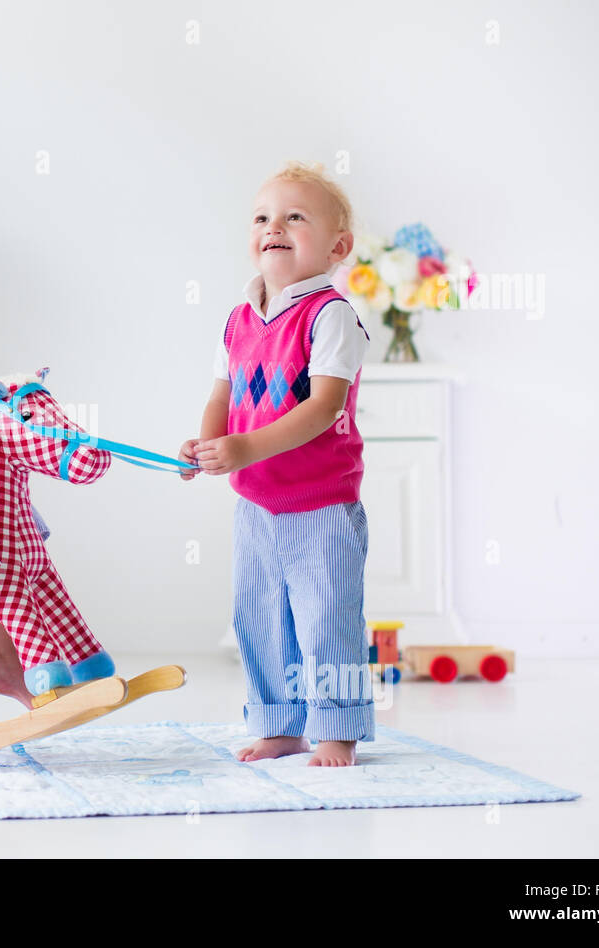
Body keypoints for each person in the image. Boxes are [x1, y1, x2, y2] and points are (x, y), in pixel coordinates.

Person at [179, 162, 374, 767]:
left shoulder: (329, 314)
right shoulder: (238, 319)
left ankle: (336, 731)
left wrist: (245, 447)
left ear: (337, 247)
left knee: (326, 623)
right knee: (261, 621)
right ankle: (279, 726)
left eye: (295, 217)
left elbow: (323, 407)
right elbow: (222, 395)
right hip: (256, 503)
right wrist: (207, 444)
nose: (275, 227)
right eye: (263, 217)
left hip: (322, 505)